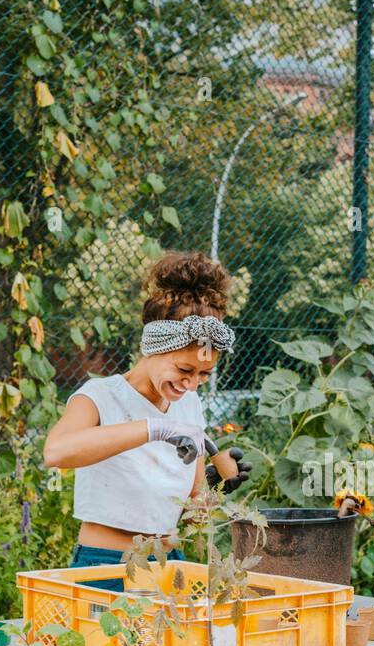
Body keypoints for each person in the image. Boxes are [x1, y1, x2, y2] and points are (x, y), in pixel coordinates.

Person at [44, 250, 252, 587]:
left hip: (171, 568)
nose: (192, 382)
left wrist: (214, 488)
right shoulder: (99, 397)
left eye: (204, 373)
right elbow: (56, 452)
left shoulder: (189, 406)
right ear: (153, 348)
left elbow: (191, 514)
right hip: (106, 566)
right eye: (184, 369)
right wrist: (154, 429)